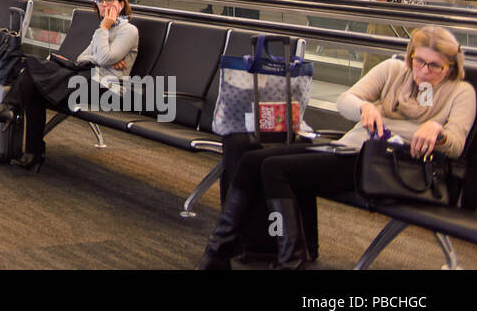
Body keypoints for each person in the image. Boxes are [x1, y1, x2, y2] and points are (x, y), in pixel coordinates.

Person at [196, 26, 474, 270]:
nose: (424, 71)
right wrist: (365, 106)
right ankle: (219, 251)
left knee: (275, 167)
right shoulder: (393, 70)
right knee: (251, 161)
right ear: (411, 54)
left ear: (450, 67)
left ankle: (289, 258)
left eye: (435, 66)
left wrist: (437, 132)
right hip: (351, 150)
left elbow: (456, 144)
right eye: (419, 61)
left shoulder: (461, 92)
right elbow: (345, 100)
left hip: (394, 166)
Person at [0, 0, 138, 168]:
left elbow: (102, 57)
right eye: (100, 0)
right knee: (33, 79)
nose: (104, 4)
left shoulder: (128, 30)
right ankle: (31, 150)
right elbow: (82, 58)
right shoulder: (101, 30)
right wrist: (104, 57)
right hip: (87, 79)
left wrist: (103, 36)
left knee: (33, 72)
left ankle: (10, 110)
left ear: (121, 4)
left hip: (107, 89)